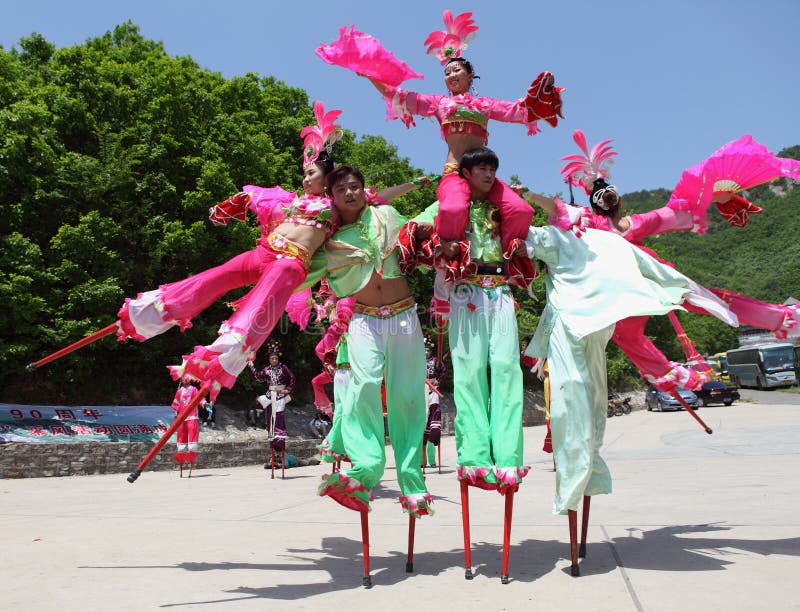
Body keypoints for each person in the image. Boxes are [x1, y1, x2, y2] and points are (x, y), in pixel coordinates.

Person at [316, 10, 563, 263]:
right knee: (451, 208)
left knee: (522, 209)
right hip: (455, 170)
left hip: (484, 175)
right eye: (447, 73)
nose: (452, 75)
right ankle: (452, 255)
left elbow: (520, 111)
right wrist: (370, 74)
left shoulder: (485, 105)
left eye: (457, 71)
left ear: (470, 76)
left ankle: (510, 253)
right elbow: (397, 96)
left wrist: (540, 97)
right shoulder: (439, 104)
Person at [313, 165, 432, 518]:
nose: (349, 193)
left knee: (407, 394)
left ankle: (412, 481)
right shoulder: (328, 239)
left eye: (354, 186)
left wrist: (455, 190)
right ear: (331, 198)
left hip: (404, 314)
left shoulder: (387, 214)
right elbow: (298, 272)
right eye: (341, 189)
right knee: (363, 387)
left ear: (365, 190)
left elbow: (421, 226)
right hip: (363, 319)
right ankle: (364, 468)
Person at [410, 147, 530, 493]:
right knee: (469, 371)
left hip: (501, 291)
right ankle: (476, 457)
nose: (489, 174)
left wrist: (526, 250)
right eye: (481, 167)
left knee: (507, 369)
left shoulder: (504, 206)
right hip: (465, 291)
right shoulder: (448, 204)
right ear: (465, 172)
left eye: (493, 167)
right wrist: (439, 246)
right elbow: (414, 232)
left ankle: (508, 458)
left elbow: (530, 239)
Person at [248, 346, 295, 454]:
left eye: (276, 358)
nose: (274, 360)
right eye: (272, 358)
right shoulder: (267, 370)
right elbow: (259, 378)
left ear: (278, 359)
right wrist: (252, 368)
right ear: (269, 360)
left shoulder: (283, 368)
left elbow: (291, 377)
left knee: (279, 416)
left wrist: (288, 389)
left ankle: (280, 441)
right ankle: (273, 443)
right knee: (270, 418)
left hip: (280, 395)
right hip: (270, 395)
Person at [422, 337, 446, 468]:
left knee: (433, 421)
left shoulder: (435, 361)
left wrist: (438, 380)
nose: (426, 352)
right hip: (421, 390)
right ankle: (422, 459)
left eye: (428, 350)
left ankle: (432, 460)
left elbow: (443, 371)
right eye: (424, 350)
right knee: (422, 425)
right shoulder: (417, 360)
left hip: (433, 389)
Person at [171, 376, 203, 467]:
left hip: (192, 416)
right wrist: (176, 412)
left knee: (192, 432)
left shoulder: (194, 389)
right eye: (182, 379)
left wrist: (204, 403)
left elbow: (199, 398)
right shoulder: (179, 391)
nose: (183, 380)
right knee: (181, 434)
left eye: (185, 378)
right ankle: (181, 453)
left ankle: (191, 453)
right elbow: (176, 403)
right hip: (182, 417)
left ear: (189, 380)